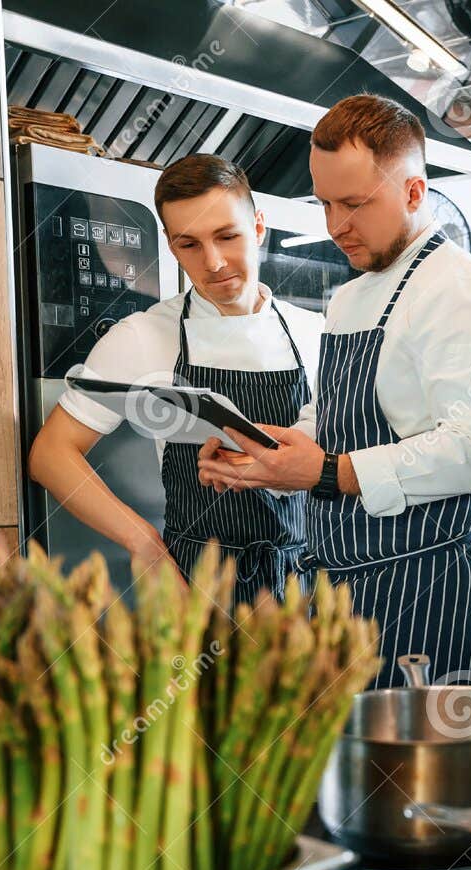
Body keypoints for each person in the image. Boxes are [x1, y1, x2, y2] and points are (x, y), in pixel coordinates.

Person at [197, 95, 471, 688]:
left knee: (414, 777)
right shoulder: (352, 295)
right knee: (344, 772)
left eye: (354, 204)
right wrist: (269, 447)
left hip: (424, 585)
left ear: (414, 192)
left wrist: (323, 473)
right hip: (340, 582)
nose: (335, 226)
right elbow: (338, 415)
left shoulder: (463, 293)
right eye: (323, 203)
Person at [28, 154, 321, 604]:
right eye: (190, 245)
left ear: (259, 226)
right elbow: (50, 453)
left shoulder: (316, 334)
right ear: (170, 246)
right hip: (194, 587)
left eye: (228, 236)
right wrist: (143, 541)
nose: (214, 262)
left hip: (309, 583)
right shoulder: (144, 336)